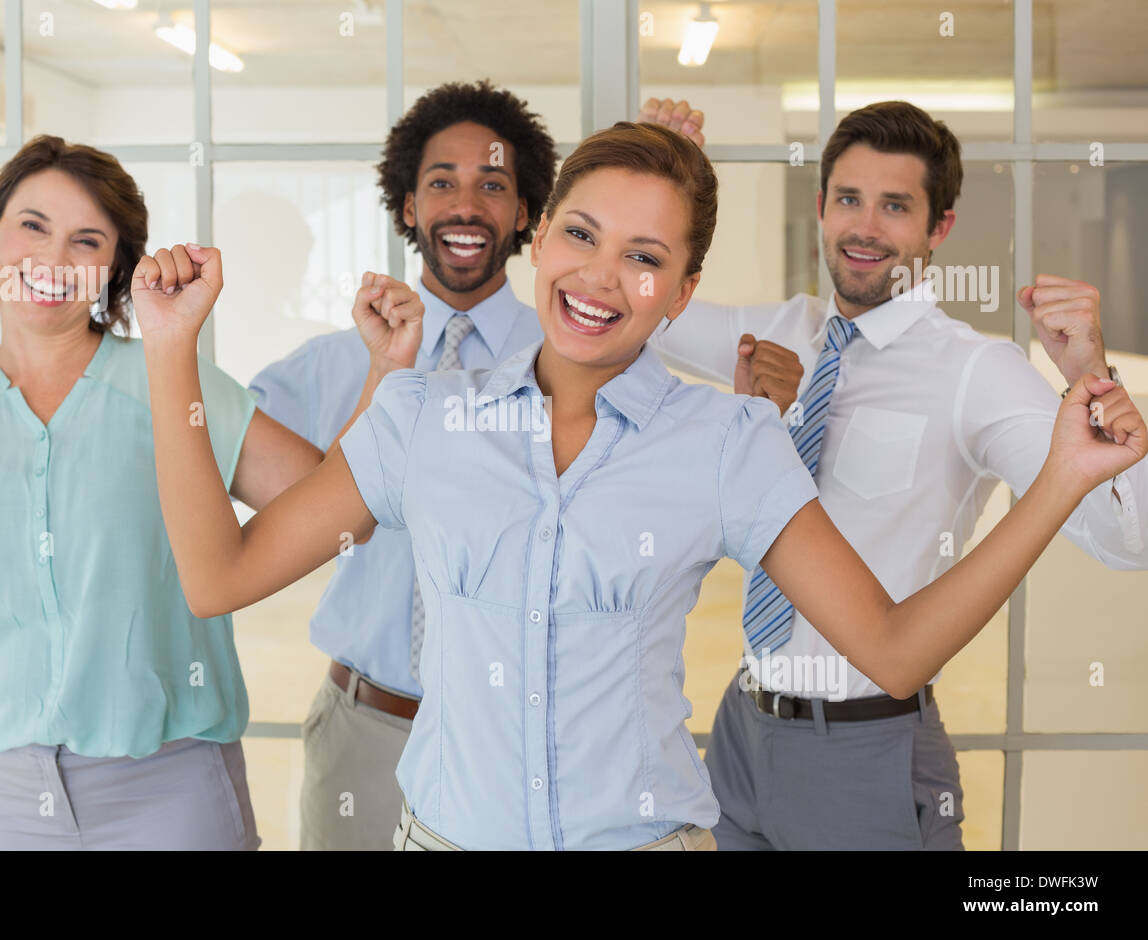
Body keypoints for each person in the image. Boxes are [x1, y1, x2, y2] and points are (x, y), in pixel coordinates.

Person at [133, 121, 1145, 851]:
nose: (600, 278)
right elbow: (219, 576)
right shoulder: (419, 416)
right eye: (581, 234)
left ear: (684, 288)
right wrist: (171, 350)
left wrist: (1057, 479)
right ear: (544, 236)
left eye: (644, 256)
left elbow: (891, 651)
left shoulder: (726, 439)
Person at [643, 97, 1148, 849]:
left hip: (866, 752)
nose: (865, 227)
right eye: (849, 199)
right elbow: (632, 307)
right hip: (741, 735)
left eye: (896, 206)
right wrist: (658, 175)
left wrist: (1092, 379)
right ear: (820, 208)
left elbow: (1127, 541)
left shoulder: (976, 372)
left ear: (938, 227)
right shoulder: (782, 332)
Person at [0, 135, 328, 849]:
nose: (51, 260)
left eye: (87, 241)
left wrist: (227, 570)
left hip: (168, 792)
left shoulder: (174, 381)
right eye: (32, 225)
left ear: (116, 269)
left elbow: (331, 504)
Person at [246, 79, 554, 849]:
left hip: (516, 736)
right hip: (366, 733)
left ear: (523, 213)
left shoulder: (566, 362)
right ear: (408, 208)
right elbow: (229, 479)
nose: (465, 203)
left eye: (493, 184)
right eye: (441, 182)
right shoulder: (328, 364)